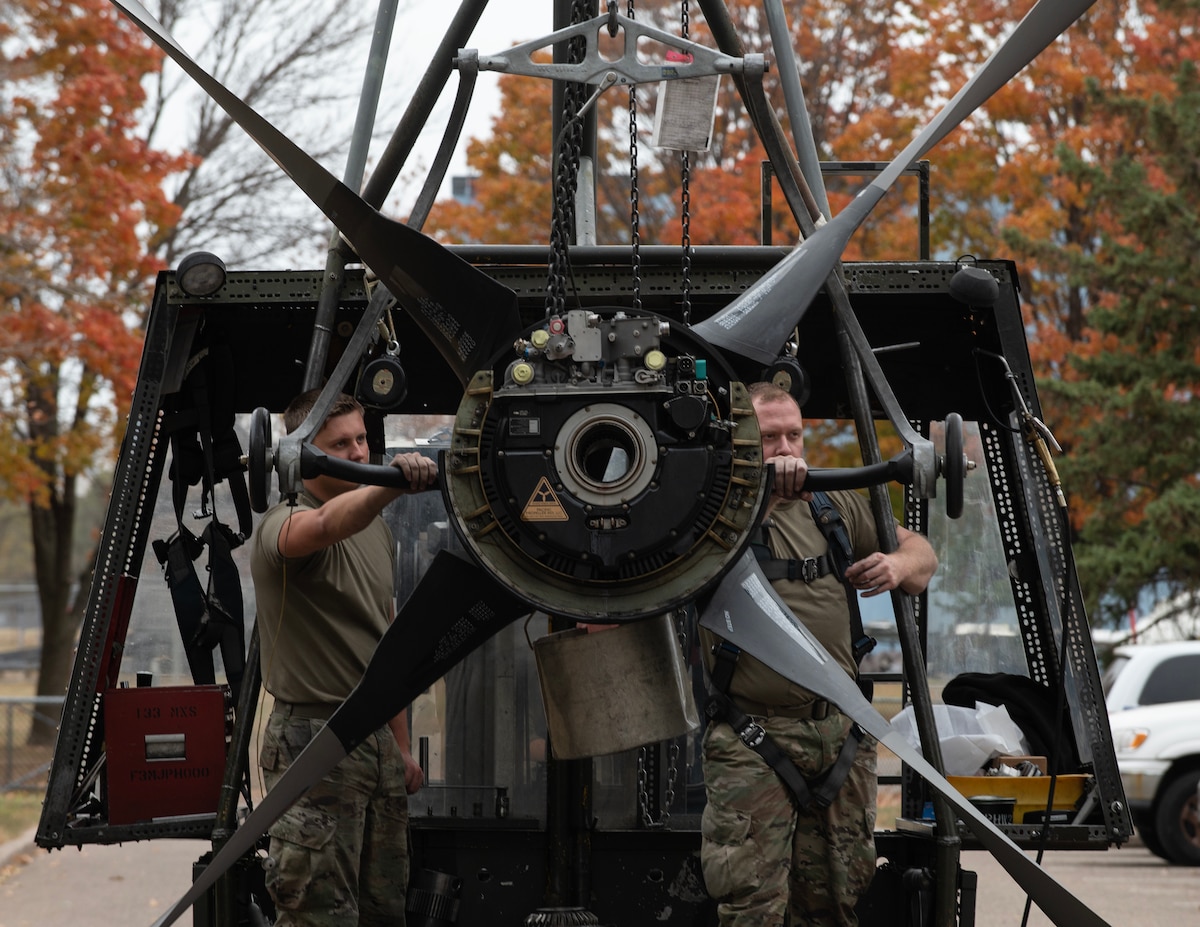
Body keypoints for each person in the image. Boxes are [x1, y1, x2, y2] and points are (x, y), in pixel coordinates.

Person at [699, 381, 938, 926]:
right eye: (767, 439)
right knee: (752, 904)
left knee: (837, 900)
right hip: (753, 738)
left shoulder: (836, 508)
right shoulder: (714, 515)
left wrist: (899, 566)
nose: (785, 450)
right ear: (737, 442)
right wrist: (757, 494)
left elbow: (923, 555)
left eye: (793, 436)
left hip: (841, 736)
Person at [251, 389, 438, 926]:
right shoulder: (281, 524)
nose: (359, 453)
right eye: (341, 444)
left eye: (362, 439)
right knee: (319, 916)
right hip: (314, 739)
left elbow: (388, 642)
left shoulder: (375, 532)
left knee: (385, 911)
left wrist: (399, 747)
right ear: (304, 454)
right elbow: (329, 525)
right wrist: (390, 485)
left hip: (373, 740)